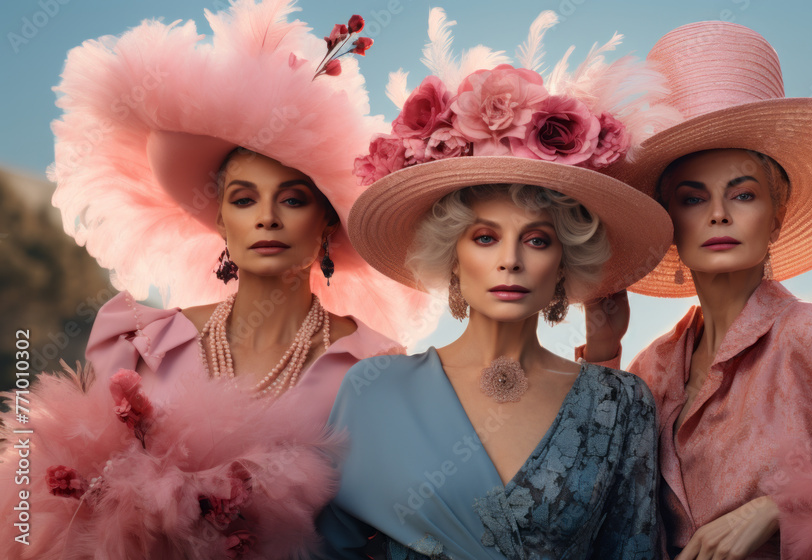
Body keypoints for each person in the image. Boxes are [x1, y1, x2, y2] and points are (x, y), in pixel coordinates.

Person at [0, 2, 434, 558]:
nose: (267, 218)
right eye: (243, 198)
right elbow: (73, 507)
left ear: (327, 218)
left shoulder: (375, 366)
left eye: (294, 199)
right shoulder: (145, 342)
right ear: (220, 218)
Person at [314, 9, 677, 559]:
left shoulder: (621, 403)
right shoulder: (373, 390)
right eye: (485, 238)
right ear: (452, 256)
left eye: (536, 240)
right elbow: (327, 550)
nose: (510, 260)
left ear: (564, 261)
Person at [580, 21, 812, 559]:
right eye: (692, 199)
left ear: (777, 217)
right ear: (668, 221)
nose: (717, 214)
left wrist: (776, 510)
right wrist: (602, 349)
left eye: (742, 194)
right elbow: (595, 496)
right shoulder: (652, 367)